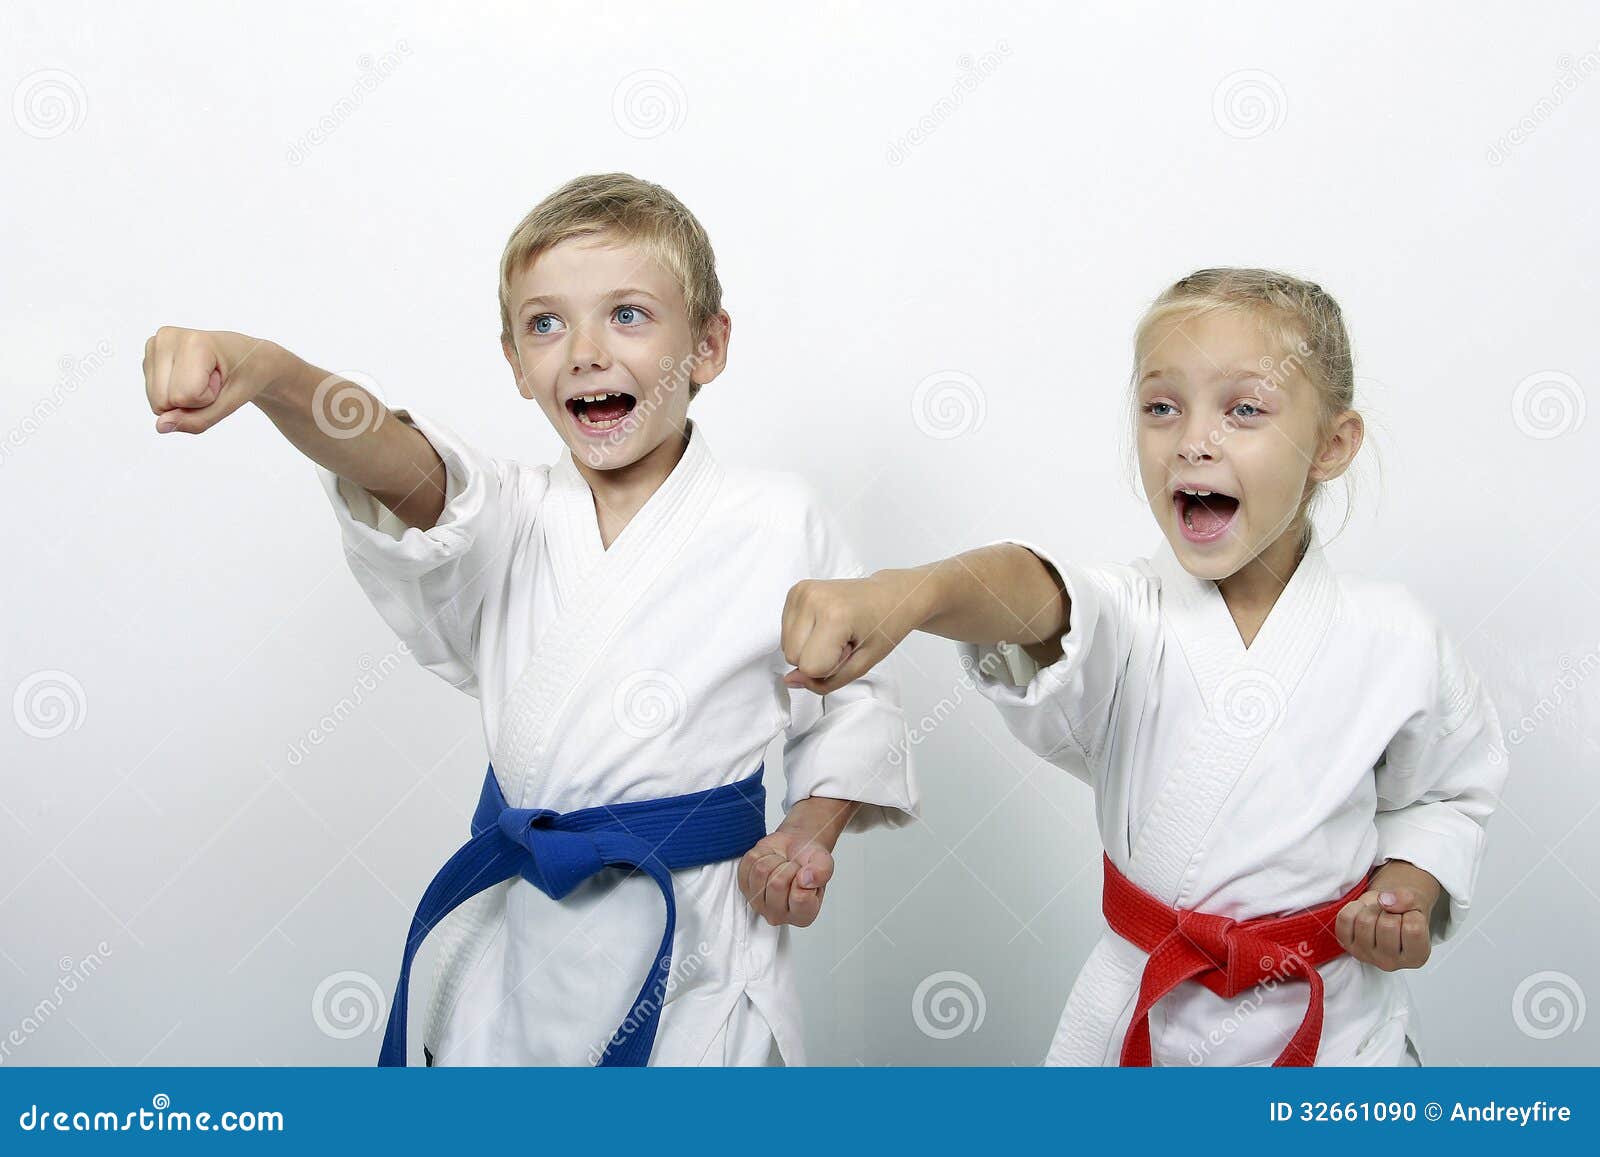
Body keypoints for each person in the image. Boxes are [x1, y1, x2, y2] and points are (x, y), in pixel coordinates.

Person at [142, 172, 918, 1066]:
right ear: (514, 361)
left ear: (707, 346)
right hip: (520, 951)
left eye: (628, 314)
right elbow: (396, 463)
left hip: (702, 956)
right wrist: (270, 374)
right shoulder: (506, 513)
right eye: (546, 323)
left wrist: (806, 832)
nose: (584, 351)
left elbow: (859, 699)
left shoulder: (781, 519)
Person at [779, 268, 1505, 1066]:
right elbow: (1037, 593)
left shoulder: (1396, 634)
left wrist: (1407, 888)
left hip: (1339, 1036)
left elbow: (1442, 791)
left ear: (1332, 445)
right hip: (1148, 1015)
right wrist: (911, 592)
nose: (1192, 439)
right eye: (1162, 407)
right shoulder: (1131, 615)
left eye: (1244, 410)